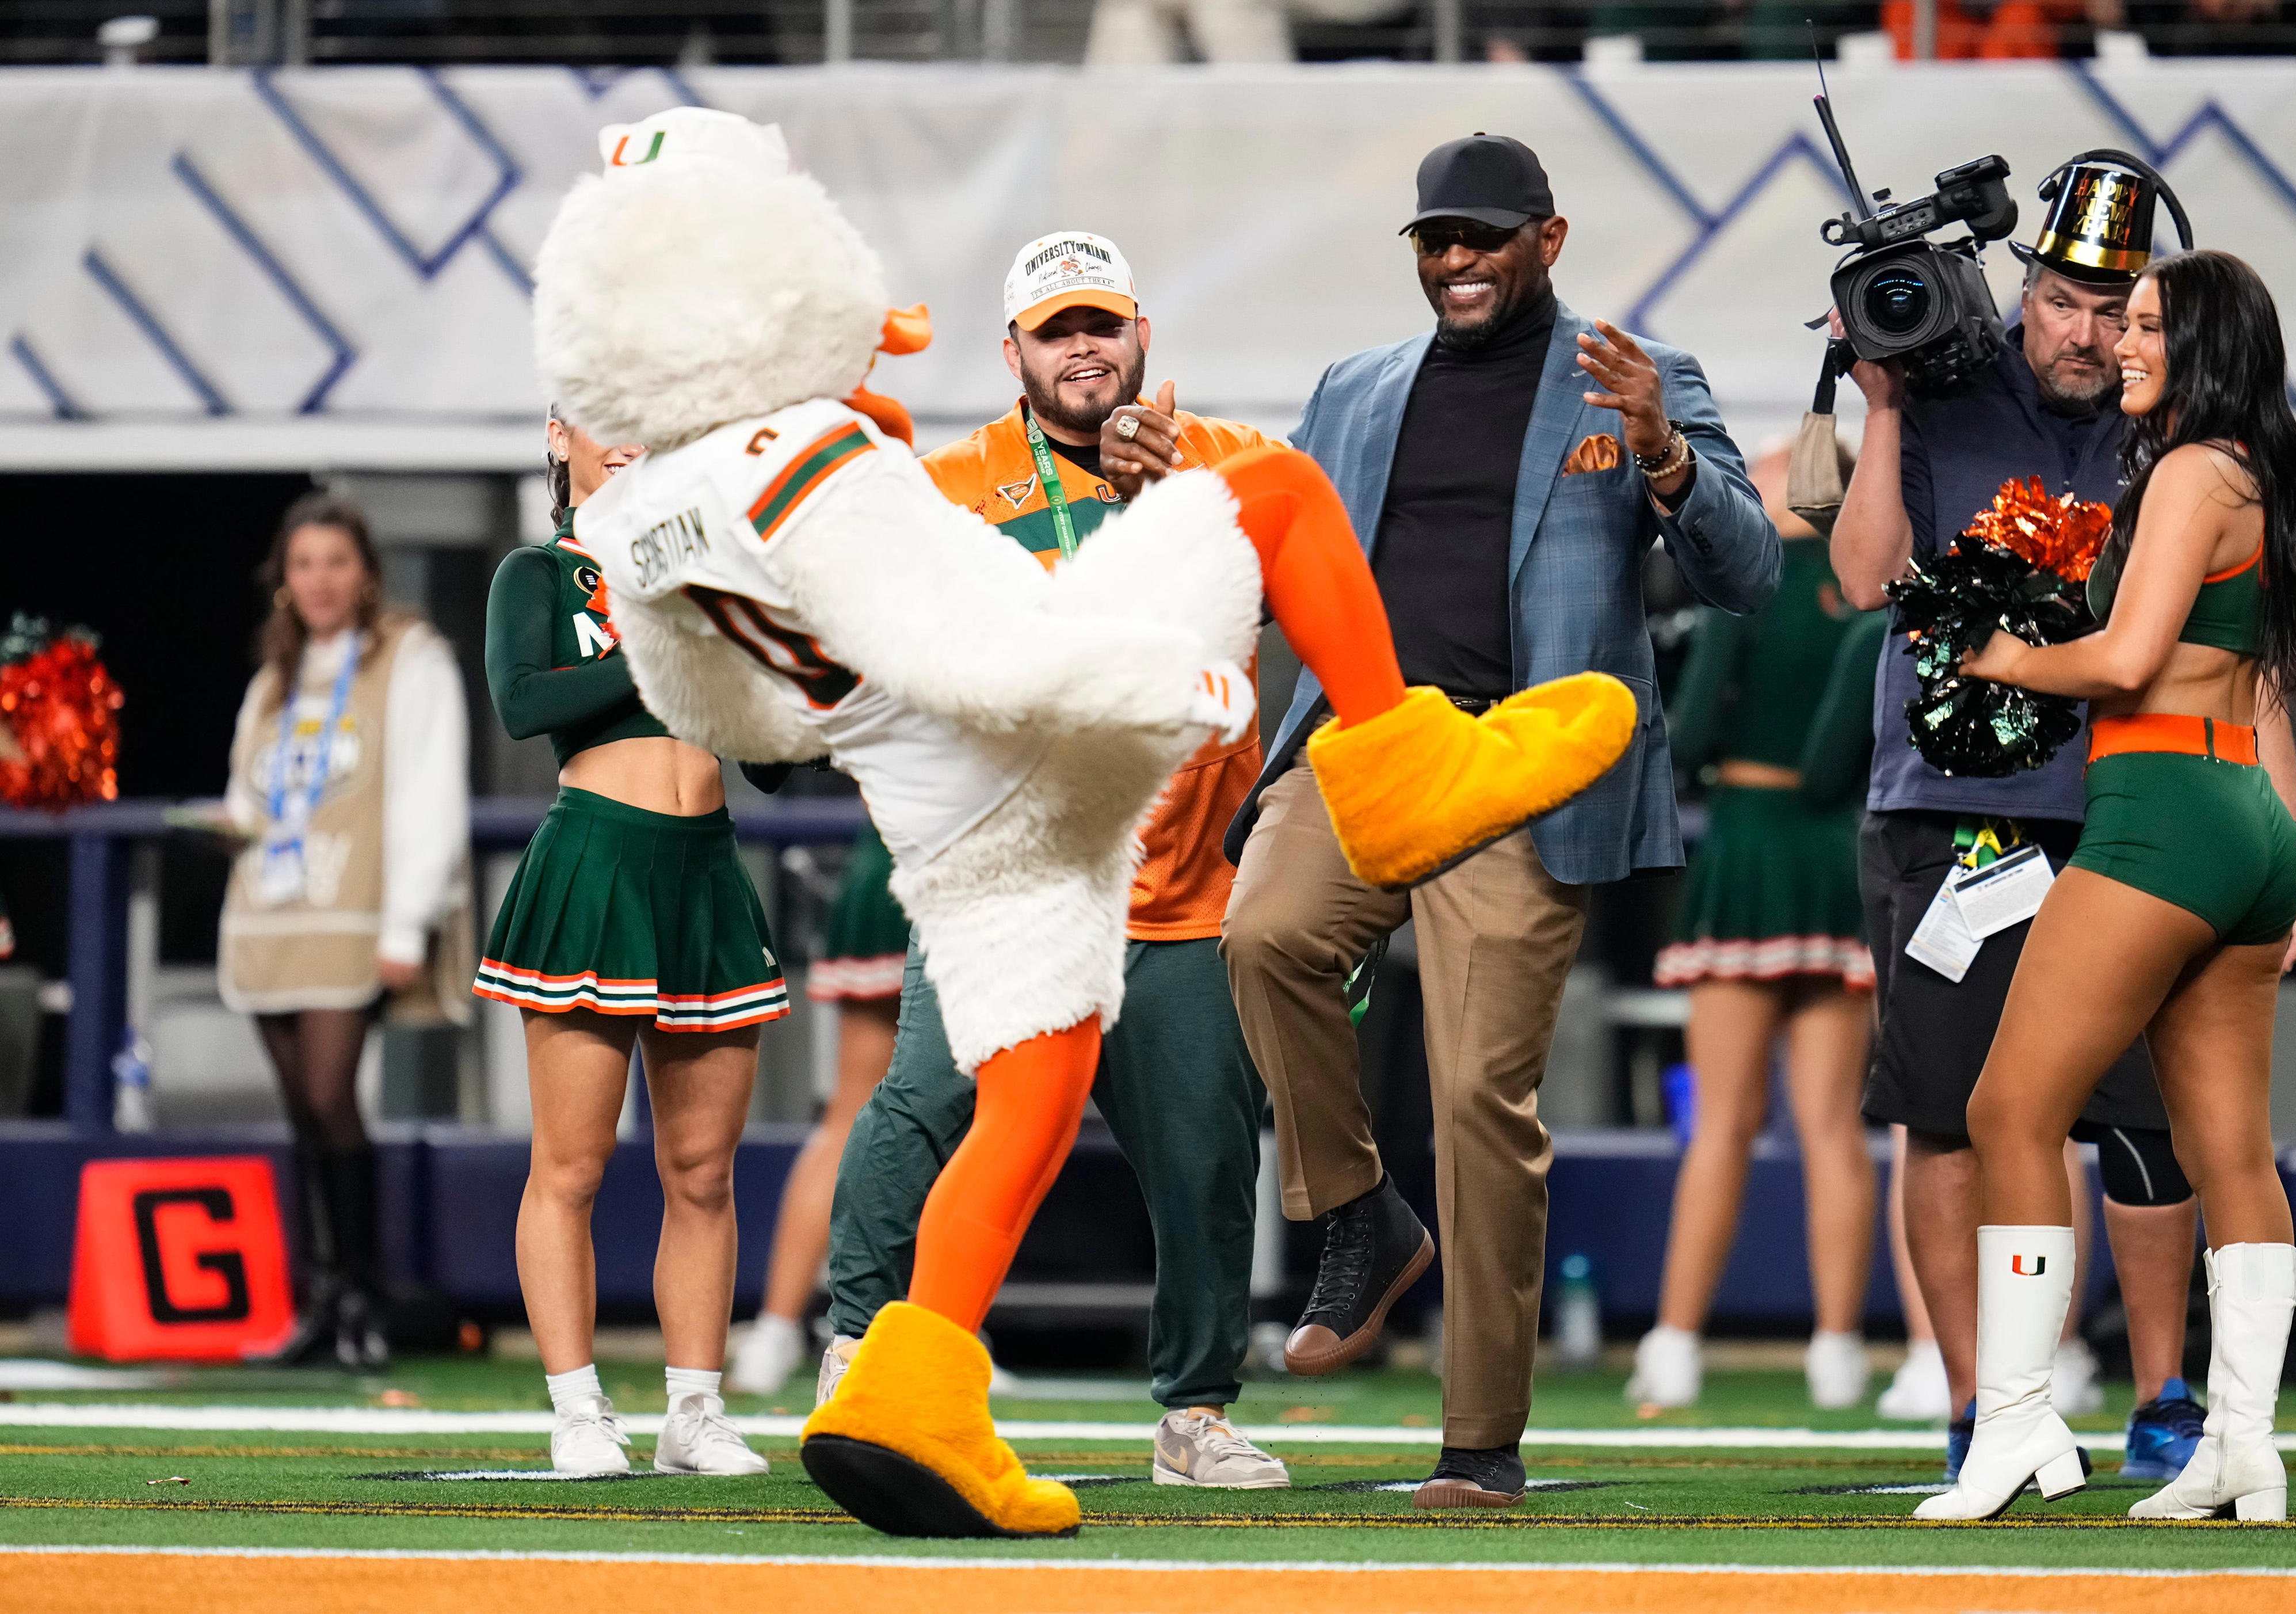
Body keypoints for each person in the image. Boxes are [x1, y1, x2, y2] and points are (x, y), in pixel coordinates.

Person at [534, 104, 1636, 1539]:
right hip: (1031, 742)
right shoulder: (812, 456)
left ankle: (912, 1391)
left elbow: (739, 719)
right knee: (1280, 497)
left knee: (1032, 1099)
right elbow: (954, 644)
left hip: (948, 824)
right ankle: (1402, 763)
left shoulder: (634, 520)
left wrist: (879, 706)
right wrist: (1133, 682)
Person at [1221, 132, 1779, 1510]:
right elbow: (1266, 557)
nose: (1455, 261)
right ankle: (1358, 1212)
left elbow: (1749, 572)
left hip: (1521, 769)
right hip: (1365, 743)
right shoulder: (1352, 388)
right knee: (1260, 934)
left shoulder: (1628, 377)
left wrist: (1659, 453)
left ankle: (1478, 1442)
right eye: (1433, 240)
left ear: (1548, 237)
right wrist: (1154, 502)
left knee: (1479, 1096)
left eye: (1481, 237)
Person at [813, 233, 1291, 1487]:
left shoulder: (1234, 463)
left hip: (1185, 881)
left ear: (1143, 336)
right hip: (1016, 875)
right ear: (1013, 352)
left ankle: (1195, 1409)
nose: (1084, 346)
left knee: (1206, 1151)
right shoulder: (951, 480)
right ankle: (861, 1351)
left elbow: (1329, 624)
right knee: (924, 1104)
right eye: (1056, 328)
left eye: (1104, 323)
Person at [1828, 157, 2246, 1484]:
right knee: (1946, 1114)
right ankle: (1976, 1406)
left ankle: (2162, 1396)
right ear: (2019, 290)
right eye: (2064, 299)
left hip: (2130, 800)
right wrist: (1881, 400)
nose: (2086, 330)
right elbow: (1851, 580)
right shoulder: (1941, 384)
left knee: (2143, 1119)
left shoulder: (2174, 418)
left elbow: (2247, 638)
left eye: (2114, 305)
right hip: (1945, 804)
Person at [1917, 249, 2296, 1521]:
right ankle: (2243, 1448)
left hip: (2162, 817)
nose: (2128, 343)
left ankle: (2017, 1425)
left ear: (2205, 347)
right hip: (2245, 820)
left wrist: (1990, 658)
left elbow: (2130, 655)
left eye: (2151, 325)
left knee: (2007, 1109)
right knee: (2227, 1149)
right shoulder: (2245, 473)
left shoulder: (2195, 471)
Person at [475, 410, 780, 1479]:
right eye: (604, 411)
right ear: (558, 433)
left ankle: (694, 1408)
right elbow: (522, 703)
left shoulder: (708, 570)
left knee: (703, 1170)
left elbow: (775, 763)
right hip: (596, 862)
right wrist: (668, 640)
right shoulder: (539, 571)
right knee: (572, 1163)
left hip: (705, 869)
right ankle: (576, 1406)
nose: (631, 434)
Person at [1631, 444, 1877, 1413]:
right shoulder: (1871, 592)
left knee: (1720, 1126)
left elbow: (1687, 739)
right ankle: (1839, 1347)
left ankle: (1677, 1342)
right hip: (1838, 859)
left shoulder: (1749, 583)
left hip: (1745, 850)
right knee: (1831, 1130)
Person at [217, 492, 471, 1371]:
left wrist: (408, 920)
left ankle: (363, 1296)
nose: (319, 581)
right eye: (303, 565)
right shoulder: (274, 677)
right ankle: (321, 1300)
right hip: (272, 917)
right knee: (300, 1114)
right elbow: (249, 794)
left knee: (333, 1100)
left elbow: (432, 791)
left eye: (336, 562)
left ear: (366, 573)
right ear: (282, 582)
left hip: (356, 917)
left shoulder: (411, 658)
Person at [726, 823, 909, 1398]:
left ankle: (778, 1331)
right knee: (875, 1116)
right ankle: (779, 1328)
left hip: (906, 862)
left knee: (879, 1118)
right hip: (933, 869)